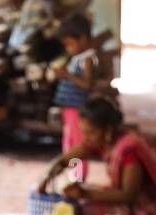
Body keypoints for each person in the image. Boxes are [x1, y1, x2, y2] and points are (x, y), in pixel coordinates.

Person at [38, 97, 156, 215]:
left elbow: (128, 195)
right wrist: (48, 176)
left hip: (148, 211)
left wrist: (85, 193)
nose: (86, 137)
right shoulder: (103, 141)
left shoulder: (129, 150)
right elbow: (68, 159)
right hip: (132, 200)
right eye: (84, 132)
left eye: (91, 132)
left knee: (82, 208)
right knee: (82, 201)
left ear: (107, 131)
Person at [52, 12, 101, 184]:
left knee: (78, 146)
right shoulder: (76, 58)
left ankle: (78, 179)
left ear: (83, 39)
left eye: (69, 44)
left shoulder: (87, 59)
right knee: (69, 143)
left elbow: (87, 84)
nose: (67, 48)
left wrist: (67, 75)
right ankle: (72, 177)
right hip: (69, 109)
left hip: (78, 109)